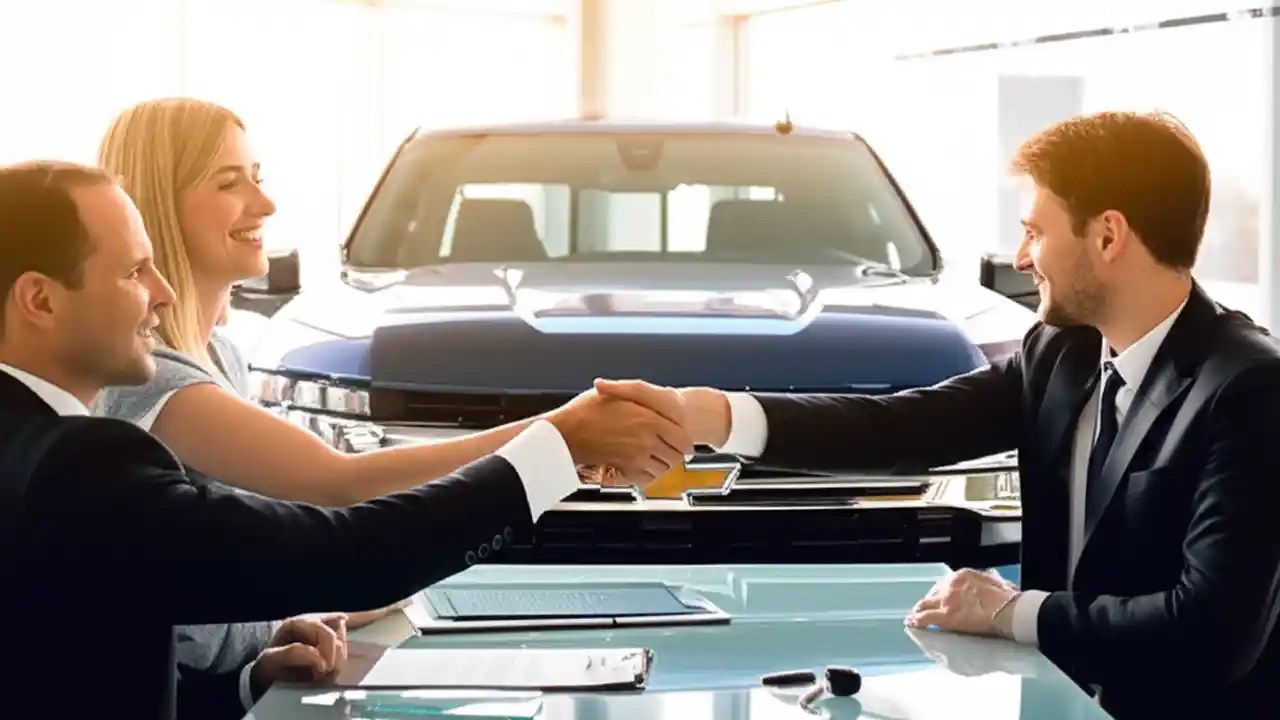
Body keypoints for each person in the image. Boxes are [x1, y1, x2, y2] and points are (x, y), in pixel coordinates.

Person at [596, 111, 1280, 718]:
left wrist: (1010, 612)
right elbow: (900, 427)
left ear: (1108, 237)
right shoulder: (1065, 353)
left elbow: (1213, 632)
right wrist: (711, 417)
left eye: (1035, 231)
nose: (1019, 258)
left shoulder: (1248, 388)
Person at [0, 160, 688, 719]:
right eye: (131, 271)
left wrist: (246, 682)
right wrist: (557, 446)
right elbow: (343, 551)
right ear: (40, 300)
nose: (162, 293)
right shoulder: (74, 465)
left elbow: (65, 661)